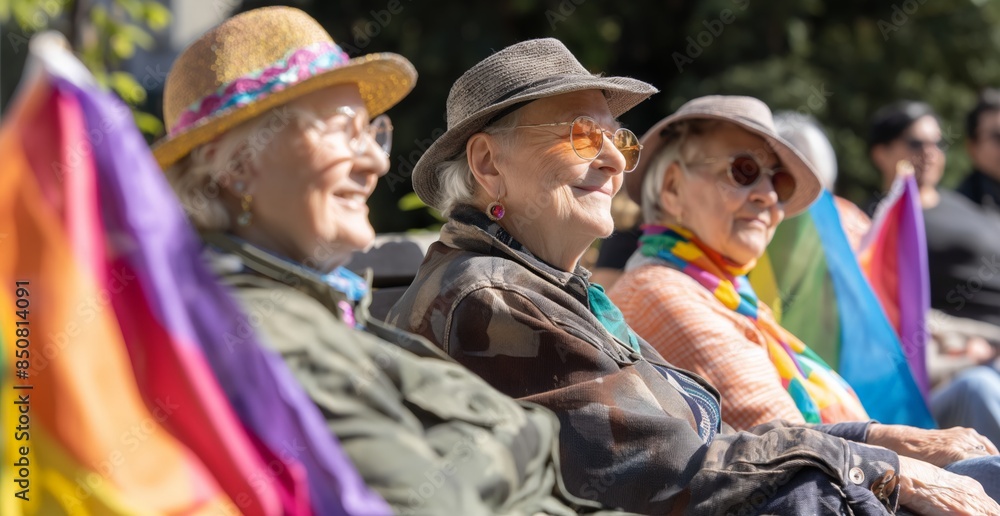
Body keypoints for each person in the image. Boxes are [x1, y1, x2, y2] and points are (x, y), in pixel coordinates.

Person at [386, 40, 1000, 514]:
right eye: (579, 135)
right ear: (488, 164)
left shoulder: (555, 289)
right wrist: (884, 465)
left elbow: (714, 432)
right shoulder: (493, 294)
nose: (611, 159)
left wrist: (889, 444)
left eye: (617, 139)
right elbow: (674, 465)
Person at [154, 8, 616, 515]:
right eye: (342, 131)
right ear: (238, 164)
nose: (375, 160)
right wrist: (522, 439)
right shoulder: (258, 327)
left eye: (373, 133)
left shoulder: (317, 309)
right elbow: (433, 504)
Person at [866, 100, 1000, 447]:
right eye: (916, 143)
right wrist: (963, 346)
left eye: (937, 143)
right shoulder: (880, 225)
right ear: (881, 153)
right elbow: (888, 310)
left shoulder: (965, 204)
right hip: (969, 351)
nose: (930, 152)